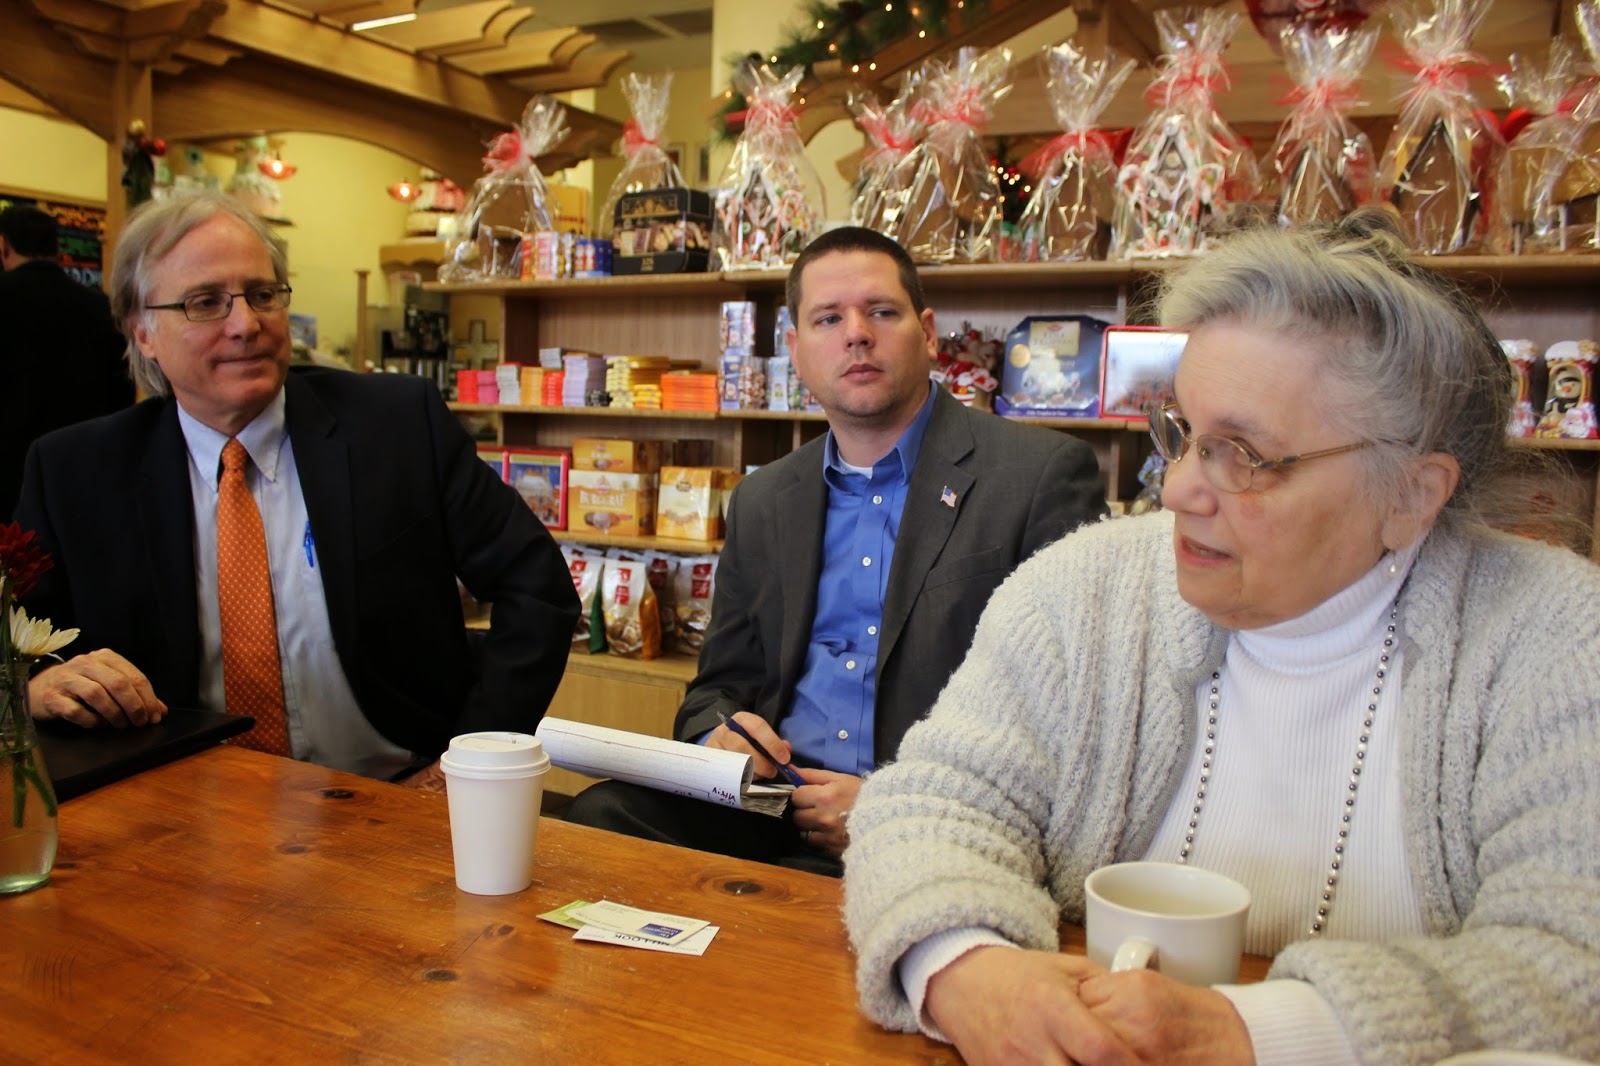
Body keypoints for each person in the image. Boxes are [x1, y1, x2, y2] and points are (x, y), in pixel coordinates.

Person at [843, 209, 1600, 1064]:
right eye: (1184, 436)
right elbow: (929, 806)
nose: (1177, 494)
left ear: (1412, 496)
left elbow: (1573, 963)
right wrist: (964, 969)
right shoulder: (1083, 590)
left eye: (1242, 455)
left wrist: (1262, 1034)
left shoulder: (1557, 639)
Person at [565, 226, 1108, 874]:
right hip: (770, 810)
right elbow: (718, 686)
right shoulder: (763, 498)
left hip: (935, 829)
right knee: (601, 819)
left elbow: (1073, 721)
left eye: (881, 312)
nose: (856, 333)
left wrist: (894, 806)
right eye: (828, 318)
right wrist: (721, 735)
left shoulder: (1039, 476)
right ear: (795, 351)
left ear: (927, 332)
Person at [14, 190, 579, 784]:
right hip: (173, 808)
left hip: (395, 797)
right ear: (143, 331)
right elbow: (16, 646)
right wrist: (34, 686)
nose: (245, 324)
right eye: (206, 303)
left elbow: (536, 586)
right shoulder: (74, 472)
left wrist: (466, 763)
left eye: (262, 295)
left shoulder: (396, 426)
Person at [0, 203, 134, 518]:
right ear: (56, 245)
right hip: (86, 471)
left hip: (6, 478)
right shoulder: (100, 306)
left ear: (3, 245)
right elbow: (123, 388)